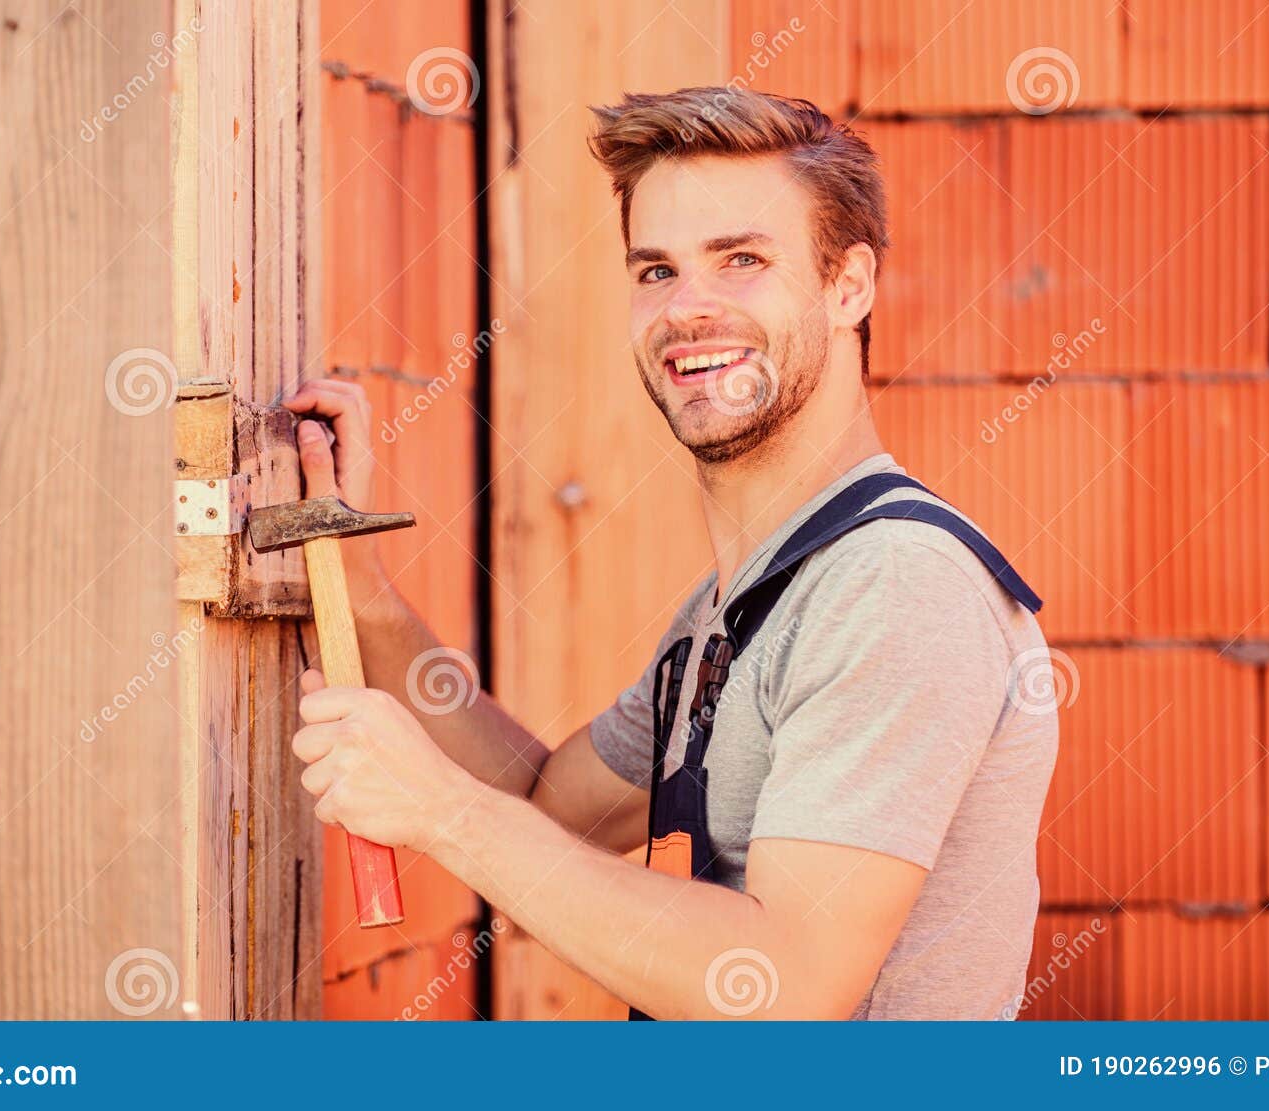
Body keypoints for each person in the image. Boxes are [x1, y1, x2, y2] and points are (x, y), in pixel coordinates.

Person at [284, 87, 1059, 1020]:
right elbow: (547, 807)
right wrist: (361, 588)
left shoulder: (890, 583)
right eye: (656, 271)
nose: (690, 308)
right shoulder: (737, 609)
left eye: (741, 260)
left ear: (848, 285)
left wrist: (443, 810)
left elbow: (788, 987)